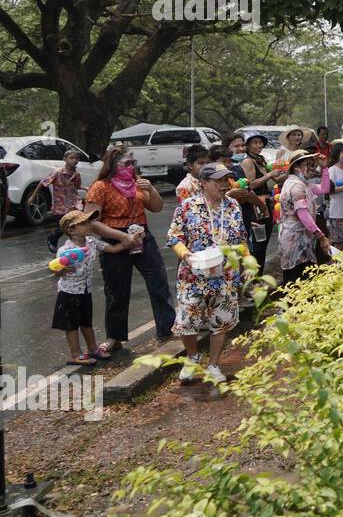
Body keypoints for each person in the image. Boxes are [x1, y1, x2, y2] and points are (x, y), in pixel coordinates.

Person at [84, 145, 176, 350]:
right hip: (115, 237)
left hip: (142, 235)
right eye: (126, 163)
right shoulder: (101, 187)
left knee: (158, 280)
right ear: (113, 166)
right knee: (117, 288)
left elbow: (157, 207)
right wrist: (122, 237)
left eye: (133, 163)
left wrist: (150, 189)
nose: (131, 167)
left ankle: (167, 328)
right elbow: (91, 222)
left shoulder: (138, 184)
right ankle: (115, 337)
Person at [166, 162, 249, 385]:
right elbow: (174, 237)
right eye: (219, 181)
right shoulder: (187, 206)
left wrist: (248, 262)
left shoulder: (233, 206)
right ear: (203, 183)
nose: (225, 185)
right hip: (192, 275)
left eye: (226, 180)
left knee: (221, 321)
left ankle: (213, 364)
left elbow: (241, 238)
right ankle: (192, 358)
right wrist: (186, 255)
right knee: (186, 320)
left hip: (225, 275)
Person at [50, 208, 138, 365]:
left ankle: (92, 348)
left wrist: (129, 242)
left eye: (89, 222)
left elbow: (111, 249)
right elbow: (55, 270)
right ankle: (75, 354)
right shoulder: (65, 250)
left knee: (86, 321)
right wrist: (62, 269)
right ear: (71, 230)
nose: (89, 225)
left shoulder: (91, 242)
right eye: (83, 223)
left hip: (85, 290)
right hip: (69, 292)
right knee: (71, 325)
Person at [277, 149, 333, 285]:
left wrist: (325, 167)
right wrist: (321, 236)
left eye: (313, 165)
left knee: (301, 280)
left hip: (302, 239)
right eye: (308, 164)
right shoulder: (297, 186)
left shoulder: (303, 184)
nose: (312, 168)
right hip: (294, 240)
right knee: (296, 281)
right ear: (296, 167)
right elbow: (303, 214)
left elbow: (325, 189)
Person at [238, 131, 276, 271]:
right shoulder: (248, 161)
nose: (259, 145)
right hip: (256, 206)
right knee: (258, 243)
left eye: (260, 142)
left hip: (266, 204)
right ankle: (253, 278)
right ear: (247, 146)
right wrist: (270, 174)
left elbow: (274, 179)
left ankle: (259, 276)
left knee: (264, 243)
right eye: (255, 142)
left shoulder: (261, 159)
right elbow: (251, 184)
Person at [39, 147, 85, 253]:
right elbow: (43, 182)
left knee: (77, 224)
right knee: (64, 226)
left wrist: (87, 188)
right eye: (71, 158)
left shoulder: (76, 174)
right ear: (65, 159)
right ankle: (52, 238)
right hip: (60, 205)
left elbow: (77, 186)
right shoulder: (57, 172)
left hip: (73, 203)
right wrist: (33, 196)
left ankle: (75, 247)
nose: (74, 160)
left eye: (76, 158)